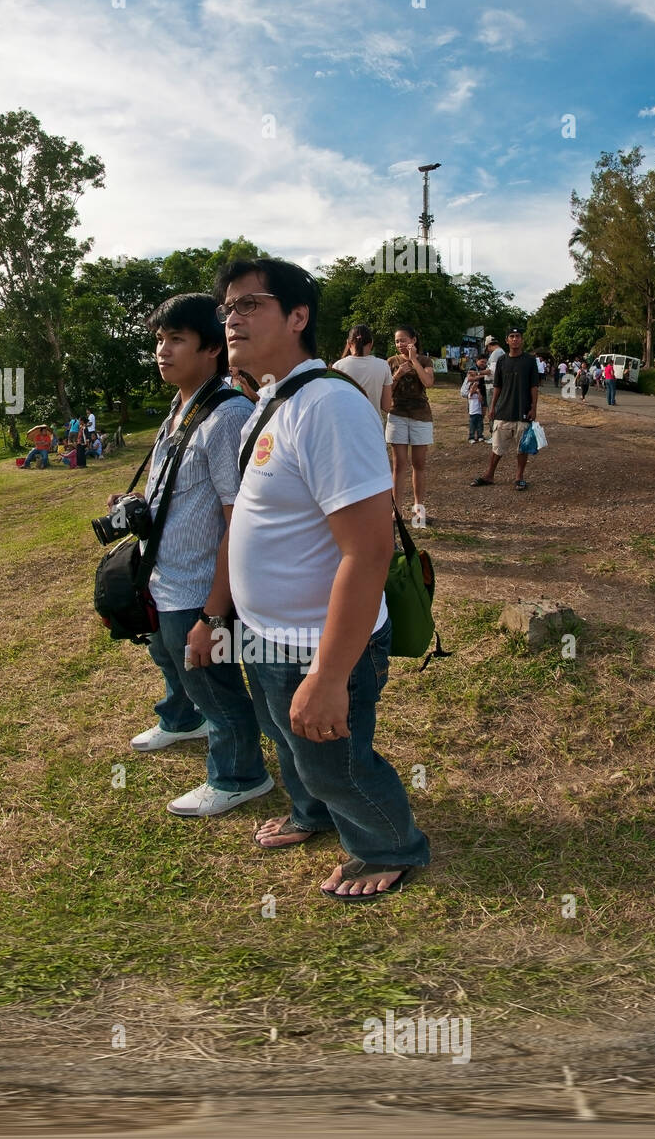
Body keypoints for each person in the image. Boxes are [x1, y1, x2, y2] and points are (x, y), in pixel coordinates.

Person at [204, 257, 428, 900]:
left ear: (299, 316)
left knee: (336, 762)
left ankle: (387, 847)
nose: (232, 318)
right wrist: (221, 617)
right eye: (227, 308)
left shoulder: (328, 405)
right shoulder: (269, 404)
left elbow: (369, 552)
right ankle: (312, 813)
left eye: (250, 304)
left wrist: (329, 676)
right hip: (266, 633)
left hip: (317, 641)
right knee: (290, 742)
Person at [123, 293, 269, 820]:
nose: (162, 351)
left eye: (177, 339)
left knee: (215, 684)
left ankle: (240, 775)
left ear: (211, 348)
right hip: (164, 573)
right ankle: (182, 719)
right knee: (170, 658)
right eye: (159, 340)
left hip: (200, 584)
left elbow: (239, 518)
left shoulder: (227, 415)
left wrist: (215, 612)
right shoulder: (180, 405)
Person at [475, 328, 544, 490]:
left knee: (522, 447)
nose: (515, 339)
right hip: (503, 410)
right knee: (497, 447)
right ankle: (489, 475)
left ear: (522, 339)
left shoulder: (529, 361)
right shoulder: (502, 361)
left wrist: (534, 408)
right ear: (507, 340)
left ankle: (519, 477)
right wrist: (492, 406)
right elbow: (497, 386)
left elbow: (534, 386)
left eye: (517, 336)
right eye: (511, 336)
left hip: (523, 411)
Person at [384, 326, 437, 525]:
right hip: (397, 415)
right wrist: (397, 374)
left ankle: (418, 510)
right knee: (399, 465)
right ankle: (396, 511)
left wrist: (414, 360)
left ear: (413, 340)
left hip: (420, 416)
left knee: (419, 464)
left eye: (403, 340)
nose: (400, 344)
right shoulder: (391, 362)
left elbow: (428, 382)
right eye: (397, 341)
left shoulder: (424, 361)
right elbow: (386, 391)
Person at [334, 325, 393, 424]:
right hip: (373, 424)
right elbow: (386, 406)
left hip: (346, 424)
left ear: (348, 343)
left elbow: (335, 402)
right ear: (371, 343)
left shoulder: (338, 366)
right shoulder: (383, 365)